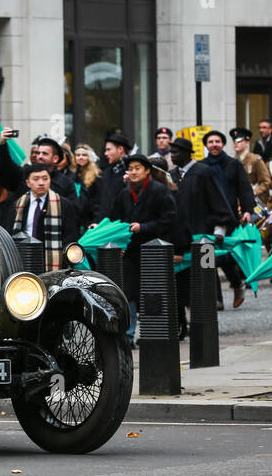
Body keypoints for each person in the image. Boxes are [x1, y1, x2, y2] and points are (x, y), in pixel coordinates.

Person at [169, 137, 236, 338]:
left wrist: (219, 231)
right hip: (178, 240)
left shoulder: (203, 172)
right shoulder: (171, 176)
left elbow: (217, 200)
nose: (173, 156)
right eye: (171, 152)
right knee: (177, 284)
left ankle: (203, 327)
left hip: (201, 238)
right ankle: (180, 324)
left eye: (177, 152)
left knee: (200, 283)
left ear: (188, 153)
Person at [108, 153, 176, 342]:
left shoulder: (160, 191)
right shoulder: (124, 193)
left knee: (151, 291)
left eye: (138, 168)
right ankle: (129, 334)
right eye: (130, 169)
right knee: (128, 291)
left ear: (147, 171)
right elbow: (116, 218)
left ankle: (152, 332)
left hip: (153, 250)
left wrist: (143, 227)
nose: (133, 172)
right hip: (130, 251)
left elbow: (169, 219)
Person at [201, 130, 257, 308]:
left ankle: (236, 283)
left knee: (224, 257)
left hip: (228, 218)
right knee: (207, 256)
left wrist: (248, 210)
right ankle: (215, 298)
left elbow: (244, 188)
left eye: (217, 141)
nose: (214, 144)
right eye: (210, 142)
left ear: (223, 144)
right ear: (206, 145)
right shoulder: (201, 166)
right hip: (207, 218)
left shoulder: (233, 164)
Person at [11, 164, 77, 270]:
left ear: (50, 180)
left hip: (53, 259)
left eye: (45, 179)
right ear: (28, 183)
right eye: (36, 179)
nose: (41, 183)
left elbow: (70, 236)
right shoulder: (19, 204)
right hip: (25, 257)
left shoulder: (63, 204)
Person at [95, 134, 131, 220]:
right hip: (106, 224)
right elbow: (101, 203)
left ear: (120, 149)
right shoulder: (105, 174)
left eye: (108, 150)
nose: (105, 153)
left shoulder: (132, 172)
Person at [72, 144, 102, 233]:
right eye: (78, 155)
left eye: (84, 155)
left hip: (89, 220)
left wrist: (95, 221)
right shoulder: (73, 175)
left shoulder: (97, 177)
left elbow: (98, 201)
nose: (80, 157)